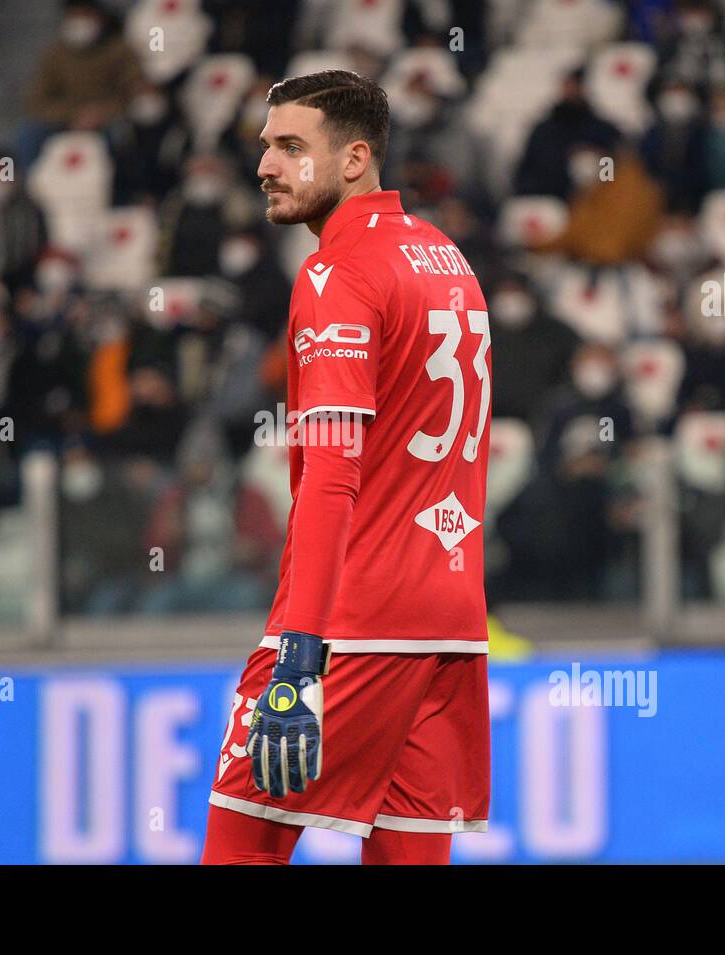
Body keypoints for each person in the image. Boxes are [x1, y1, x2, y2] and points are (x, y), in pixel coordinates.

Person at [201, 70, 492, 866]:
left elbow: (332, 478)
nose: (266, 165)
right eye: (265, 147)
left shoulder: (337, 274)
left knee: (241, 850)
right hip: (450, 623)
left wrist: (300, 656)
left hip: (350, 623)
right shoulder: (446, 258)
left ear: (356, 158)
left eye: (292, 147)